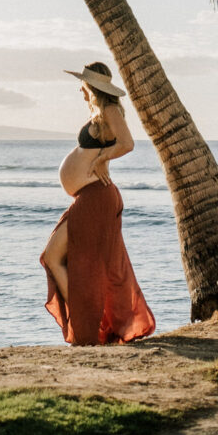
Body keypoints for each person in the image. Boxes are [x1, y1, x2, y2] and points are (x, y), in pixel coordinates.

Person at [40, 61, 156, 346]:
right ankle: (89, 324)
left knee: (67, 261)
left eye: (83, 84)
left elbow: (127, 143)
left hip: (97, 197)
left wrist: (103, 159)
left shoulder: (110, 110)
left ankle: (88, 328)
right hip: (89, 197)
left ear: (92, 86)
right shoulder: (98, 112)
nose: (80, 89)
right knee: (64, 260)